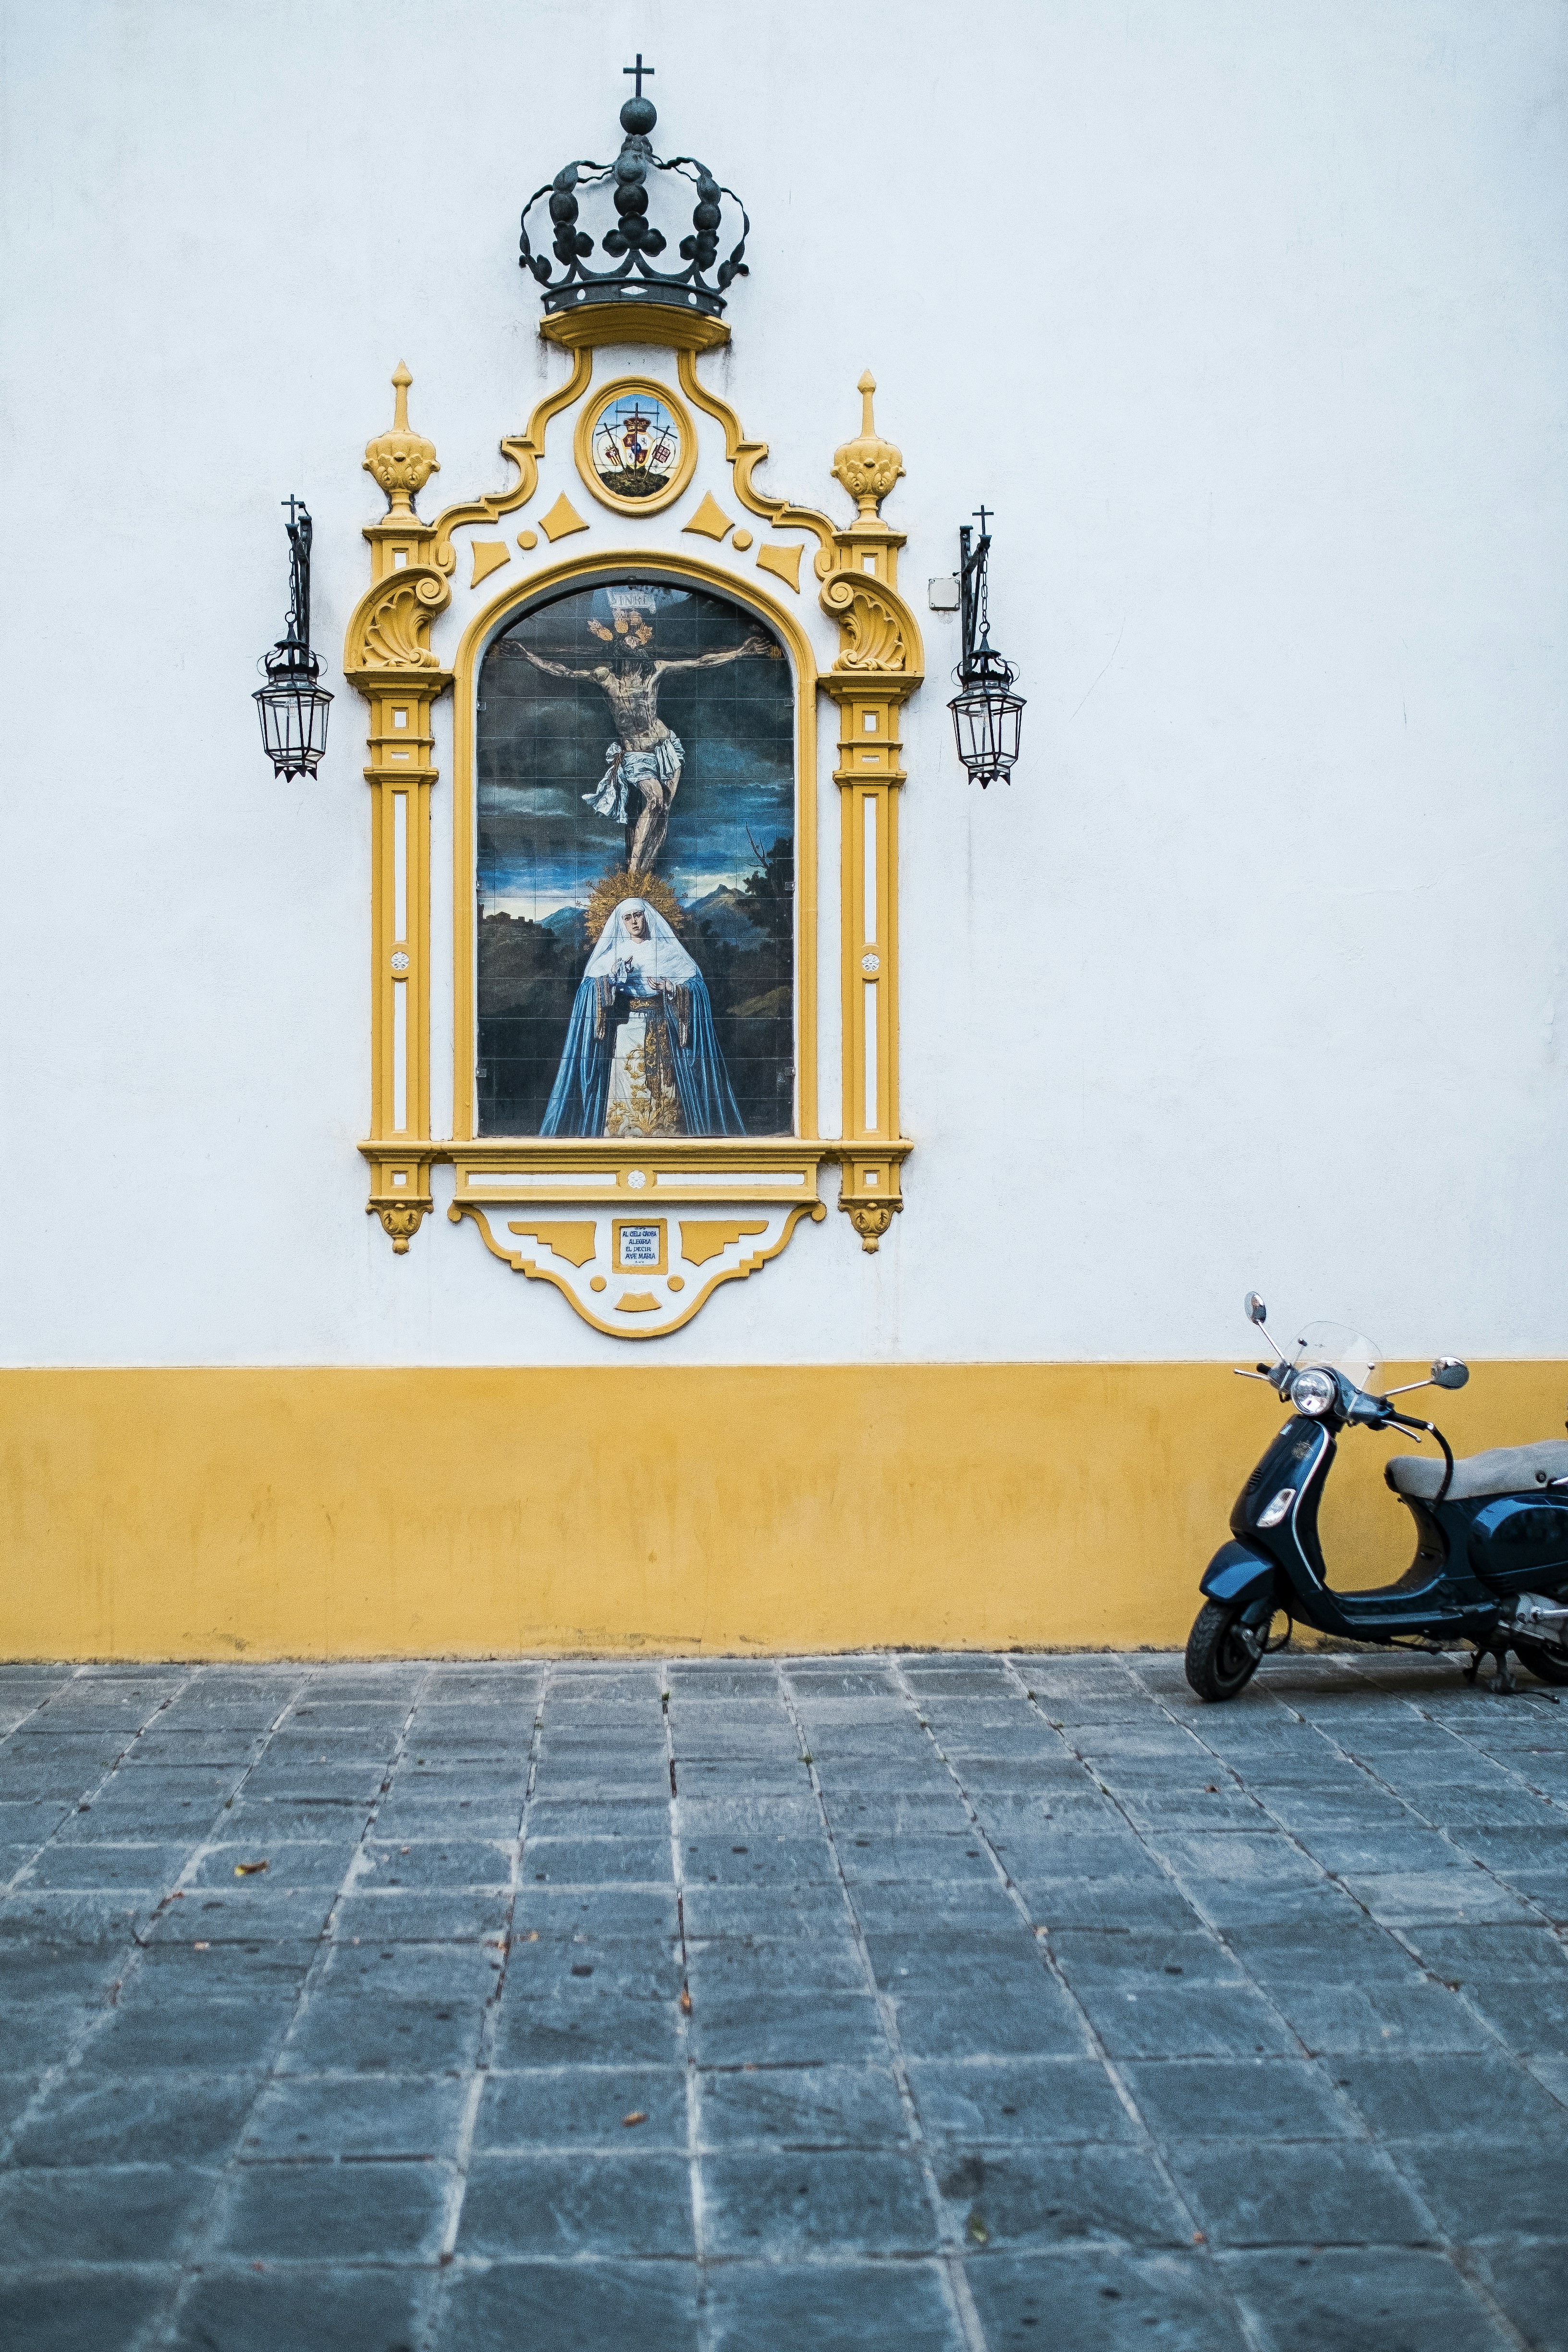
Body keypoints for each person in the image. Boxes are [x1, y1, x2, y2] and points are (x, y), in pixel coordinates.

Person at [513, 605, 782, 873]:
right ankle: (632, 872)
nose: (637, 646)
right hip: (635, 753)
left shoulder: (655, 672)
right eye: (630, 642)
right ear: (621, 649)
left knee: (663, 808)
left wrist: (741, 651)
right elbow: (563, 671)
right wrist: (527, 655)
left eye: (638, 641)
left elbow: (701, 662)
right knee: (653, 800)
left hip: (665, 745)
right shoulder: (607, 679)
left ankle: (646, 873)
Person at [540, 899, 744, 1139]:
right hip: (625, 1032)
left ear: (648, 917)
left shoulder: (668, 951)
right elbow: (589, 989)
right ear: (621, 923)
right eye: (628, 918)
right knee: (625, 1087)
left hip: (664, 1031)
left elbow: (695, 986)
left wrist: (670, 988)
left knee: (668, 1094)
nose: (634, 922)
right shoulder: (612, 954)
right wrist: (611, 980)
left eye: (638, 916)